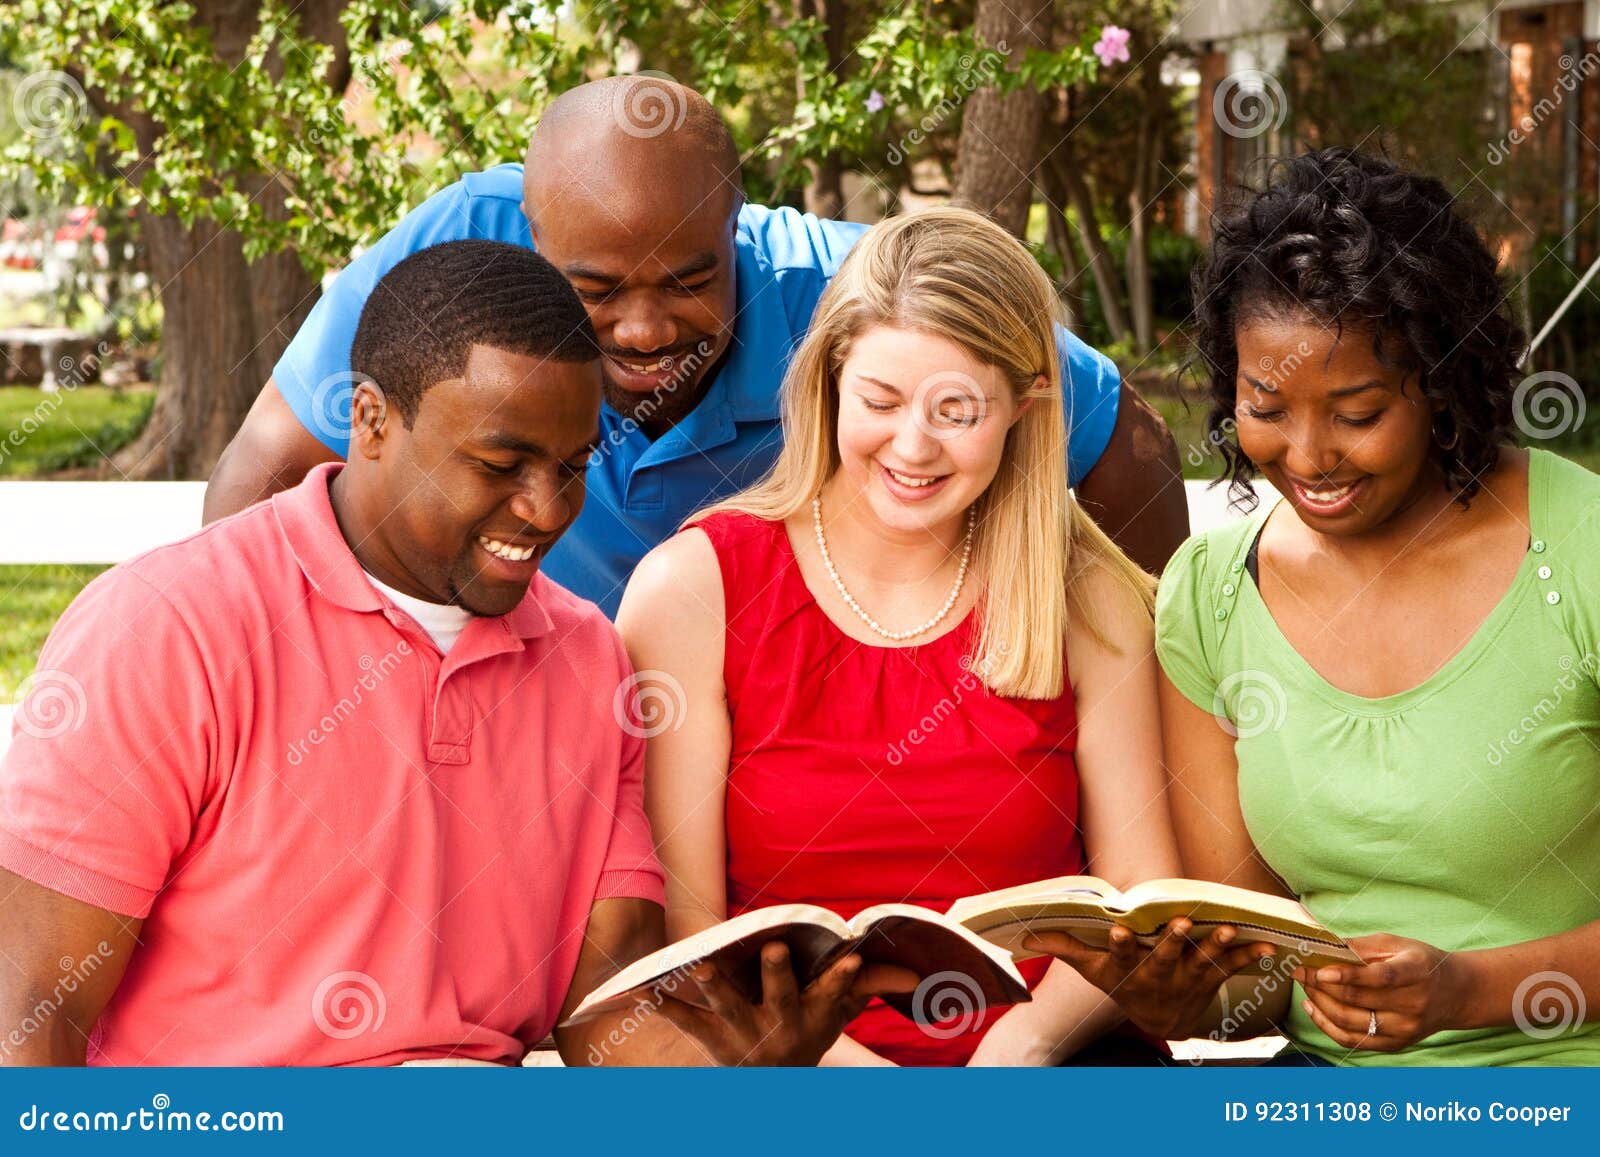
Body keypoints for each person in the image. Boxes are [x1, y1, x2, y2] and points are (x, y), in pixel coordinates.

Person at [0, 241, 907, 1067]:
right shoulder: (168, 629)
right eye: (499, 463)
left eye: (573, 464)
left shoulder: (589, 659)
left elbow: (606, 1002)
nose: (549, 510)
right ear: (371, 420)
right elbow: (31, 1010)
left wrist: (746, 1068)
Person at [203, 77, 1189, 610]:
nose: (643, 329)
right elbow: (267, 464)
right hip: (515, 686)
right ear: (532, 240)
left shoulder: (844, 295)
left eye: (689, 279)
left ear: (738, 231)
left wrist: (1160, 661)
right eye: (593, 289)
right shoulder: (462, 240)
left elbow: (1122, 439)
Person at [1030, 149, 1600, 1065]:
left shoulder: (1580, 547)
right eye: (1266, 406)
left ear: (1444, 382)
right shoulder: (1213, 592)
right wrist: (1182, 998)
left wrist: (1470, 988)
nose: (1308, 455)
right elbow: (1251, 979)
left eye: (1358, 412)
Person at [615, 206, 1184, 1066]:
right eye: (879, 401)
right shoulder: (691, 591)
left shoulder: (1088, 596)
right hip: (797, 1073)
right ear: (832, 379)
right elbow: (693, 933)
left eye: (956, 410)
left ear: (1026, 405)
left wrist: (1024, 1043)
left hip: (1049, 1063)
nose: (912, 446)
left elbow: (1138, 898)